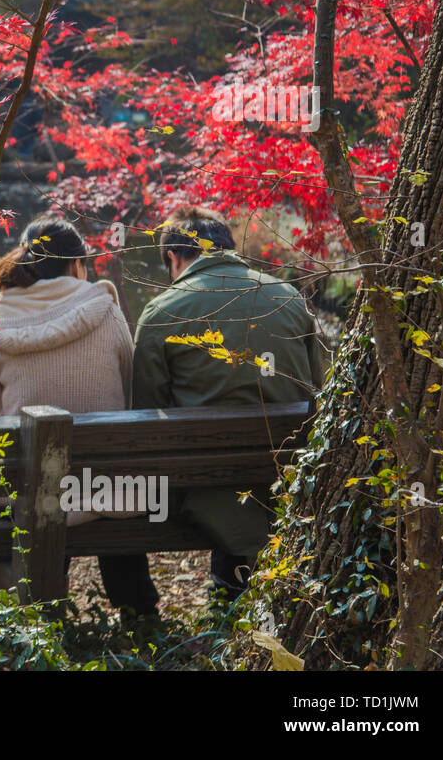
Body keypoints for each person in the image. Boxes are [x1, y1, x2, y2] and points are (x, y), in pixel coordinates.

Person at [0, 217, 159, 617]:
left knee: (25, 481)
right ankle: (138, 609)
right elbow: (128, 389)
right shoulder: (104, 308)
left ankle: (31, 611)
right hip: (107, 487)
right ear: (76, 265)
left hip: (31, 493)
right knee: (110, 470)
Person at [131, 206, 323, 600]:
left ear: (172, 257)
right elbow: (316, 389)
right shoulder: (288, 297)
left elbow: (147, 415)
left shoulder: (161, 312)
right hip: (291, 479)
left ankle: (228, 593)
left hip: (207, 484)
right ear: (226, 247)